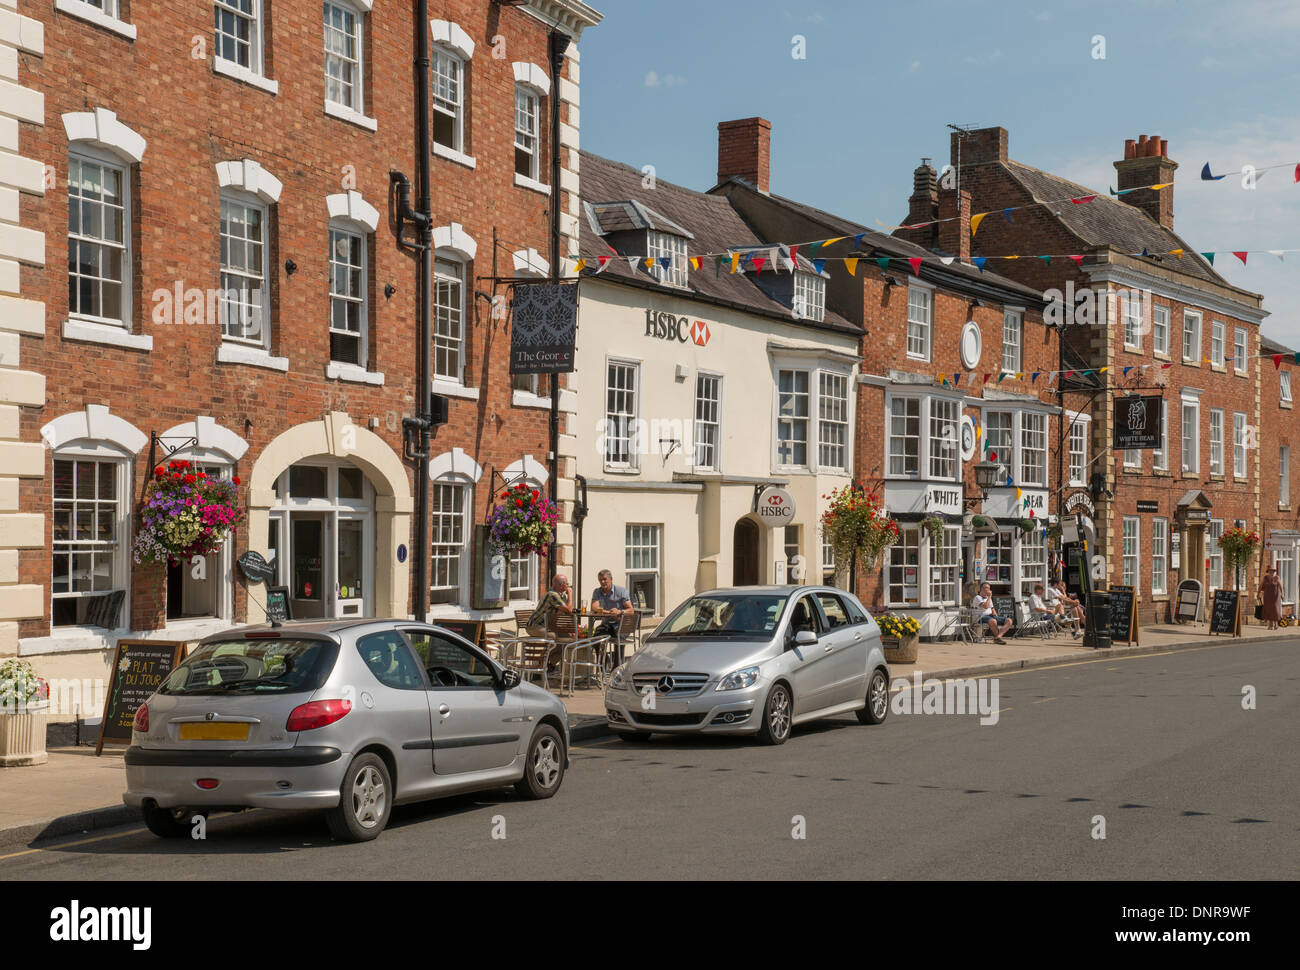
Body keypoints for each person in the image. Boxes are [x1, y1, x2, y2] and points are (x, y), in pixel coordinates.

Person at [591, 569, 635, 664]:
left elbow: (631, 610)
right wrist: (609, 612)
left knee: (619, 638)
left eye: (604, 579)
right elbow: (594, 607)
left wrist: (619, 611)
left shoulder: (621, 591)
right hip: (607, 624)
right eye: (600, 580)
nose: (602, 582)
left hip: (621, 624)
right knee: (595, 638)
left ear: (611, 579)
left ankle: (617, 667)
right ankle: (605, 661)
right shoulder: (597, 592)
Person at [526, 574, 572, 639]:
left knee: (567, 636)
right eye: (567, 584)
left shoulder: (559, 595)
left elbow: (566, 611)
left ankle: (561, 649)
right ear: (561, 585)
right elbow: (569, 610)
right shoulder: (552, 595)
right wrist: (570, 593)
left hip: (546, 626)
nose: (568, 586)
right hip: (535, 627)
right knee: (554, 636)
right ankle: (550, 649)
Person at [1257, 566, 1283, 630]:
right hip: (1267, 596)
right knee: (1268, 609)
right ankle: (1270, 625)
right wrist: (1258, 593)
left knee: (1275, 609)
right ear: (1268, 572)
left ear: (1274, 572)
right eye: (1270, 571)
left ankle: (1276, 623)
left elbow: (1281, 586)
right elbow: (1260, 586)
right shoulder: (1265, 578)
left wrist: (1282, 594)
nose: (1271, 572)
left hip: (1275, 596)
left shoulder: (1277, 578)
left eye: (1273, 571)